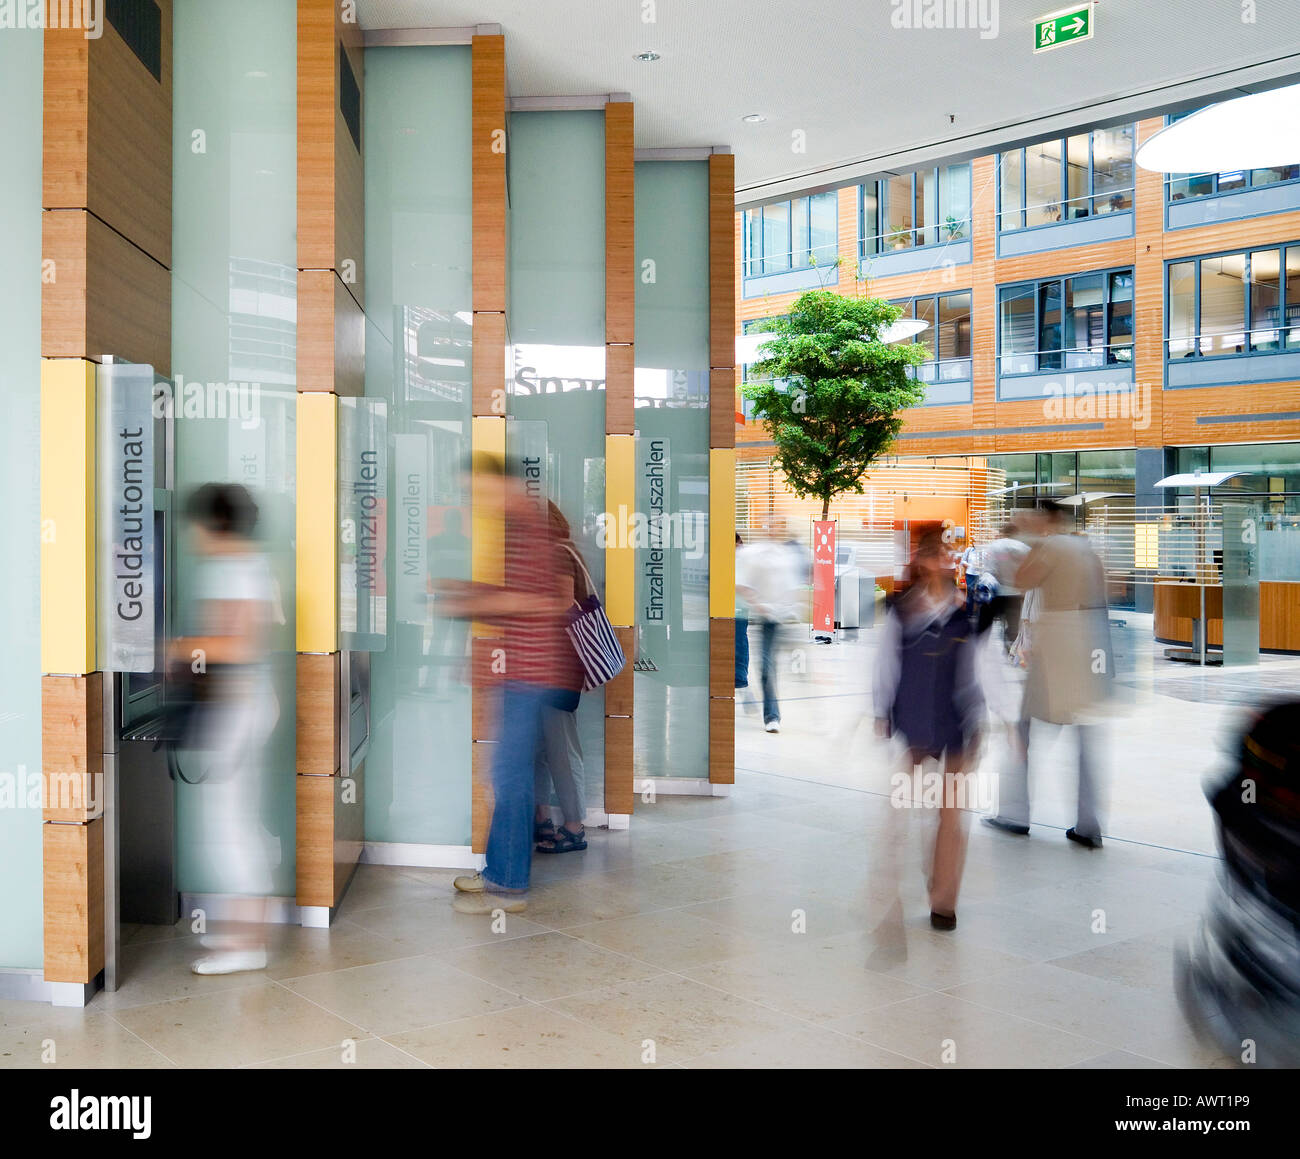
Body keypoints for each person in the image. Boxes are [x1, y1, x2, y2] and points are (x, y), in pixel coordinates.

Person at [435, 456, 580, 914]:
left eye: (476, 488)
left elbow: (547, 600)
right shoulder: (517, 528)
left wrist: (476, 597)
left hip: (529, 672)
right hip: (518, 670)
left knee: (510, 776)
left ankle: (508, 883)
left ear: (502, 484)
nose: (472, 499)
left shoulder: (530, 531)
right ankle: (499, 870)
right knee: (507, 774)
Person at [171, 483, 281, 976]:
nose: (190, 535)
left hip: (239, 706)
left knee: (229, 828)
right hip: (239, 704)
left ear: (212, 525)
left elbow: (238, 645)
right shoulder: (243, 566)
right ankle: (245, 925)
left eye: (193, 524)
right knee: (238, 821)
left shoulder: (239, 569)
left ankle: (247, 944)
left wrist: (177, 647)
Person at [983, 501, 1112, 848]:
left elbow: (1023, 579)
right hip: (1087, 644)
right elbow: (1109, 591)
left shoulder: (1051, 545)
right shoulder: (1086, 550)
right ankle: (1089, 823)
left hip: (1056, 645)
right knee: (1085, 736)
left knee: (1024, 729)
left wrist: (1032, 541)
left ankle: (1014, 813)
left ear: (1049, 519)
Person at [872, 531, 983, 932]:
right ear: (921, 560)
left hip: (954, 720)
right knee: (899, 808)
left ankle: (943, 899)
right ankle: (886, 892)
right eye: (934, 555)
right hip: (914, 718)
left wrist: (980, 717)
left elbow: (974, 670)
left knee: (951, 816)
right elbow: (886, 663)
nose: (942, 561)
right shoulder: (901, 610)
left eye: (946, 555)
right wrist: (880, 710)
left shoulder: (962, 612)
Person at [534, 500, 591, 855]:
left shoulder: (556, 553)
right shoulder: (559, 551)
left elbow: (561, 602)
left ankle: (574, 825)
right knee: (541, 747)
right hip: (547, 664)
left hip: (558, 665)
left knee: (561, 750)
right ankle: (542, 817)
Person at [735, 526, 803, 733]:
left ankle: (771, 713)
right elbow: (742, 585)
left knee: (769, 664)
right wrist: (758, 603)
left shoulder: (784, 556)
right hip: (759, 614)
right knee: (762, 663)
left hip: (777, 616)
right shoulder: (752, 555)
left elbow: (793, 586)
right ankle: (766, 711)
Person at [980, 520, 1031, 651]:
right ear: (1016, 533)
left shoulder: (994, 546)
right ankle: (1010, 648)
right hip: (1014, 594)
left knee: (985, 623)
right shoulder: (1024, 548)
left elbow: (989, 570)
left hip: (996, 593)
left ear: (1003, 532)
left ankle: (980, 648)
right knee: (1013, 624)